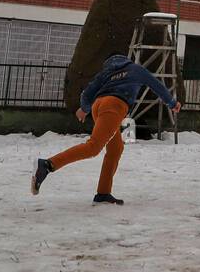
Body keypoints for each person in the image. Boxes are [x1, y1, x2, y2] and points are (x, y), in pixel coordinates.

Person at [31, 54, 180, 204]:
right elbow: (156, 84)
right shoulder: (135, 69)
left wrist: (84, 108)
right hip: (114, 106)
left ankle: (103, 193)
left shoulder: (106, 73)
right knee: (93, 147)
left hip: (99, 106)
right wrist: (172, 103)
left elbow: (88, 92)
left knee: (115, 148)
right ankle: (48, 164)